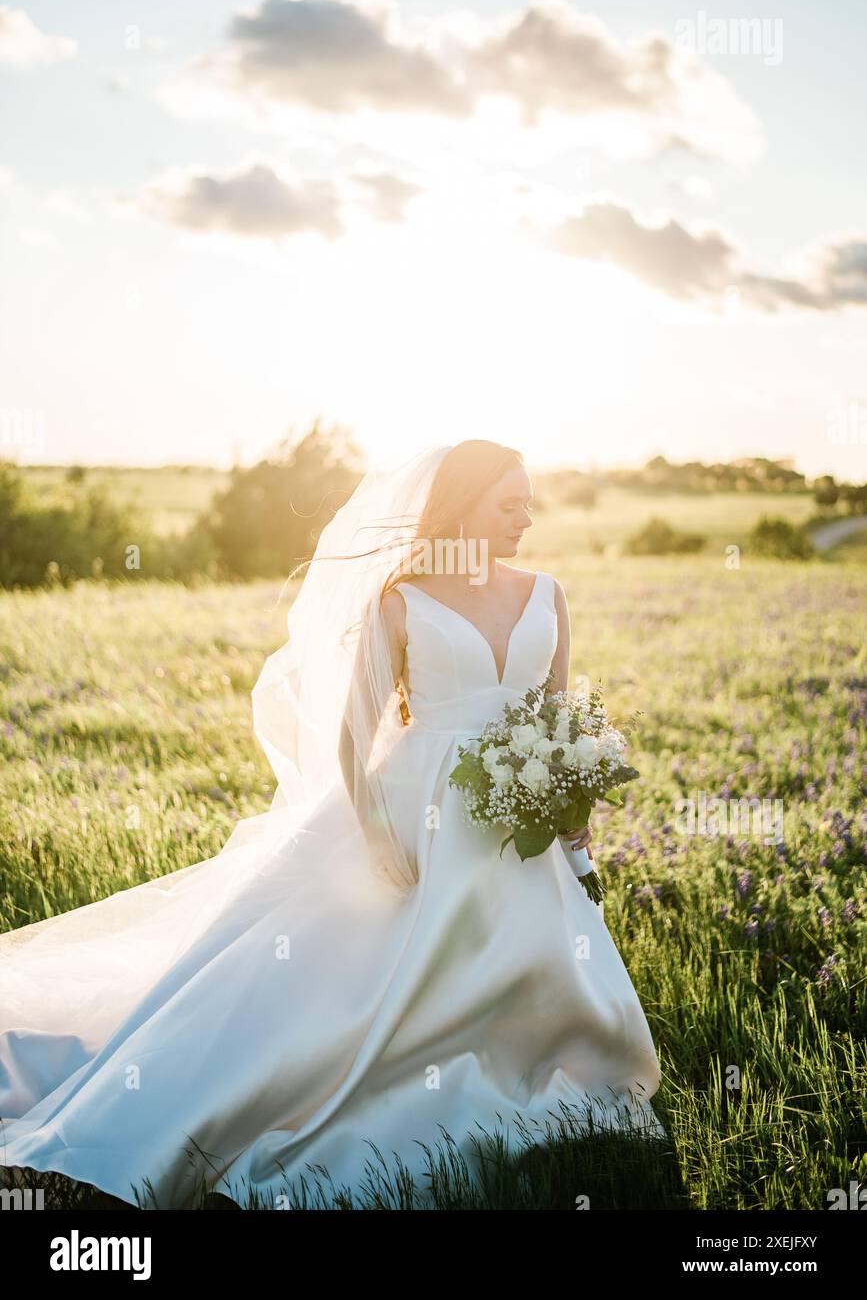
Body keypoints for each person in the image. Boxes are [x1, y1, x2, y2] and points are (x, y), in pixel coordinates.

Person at [0, 439, 665, 1209]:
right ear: (461, 509)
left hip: (521, 810)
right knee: (345, 969)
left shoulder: (547, 592)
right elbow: (356, 730)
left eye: (527, 501)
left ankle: (538, 1067)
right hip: (416, 804)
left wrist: (571, 801)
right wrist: (380, 831)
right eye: (507, 503)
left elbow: (555, 712)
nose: (526, 517)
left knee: (527, 947)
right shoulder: (401, 600)